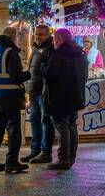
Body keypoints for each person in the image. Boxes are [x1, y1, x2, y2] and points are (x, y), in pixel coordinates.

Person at [42, 27, 89, 170]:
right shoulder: (81, 55)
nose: (54, 42)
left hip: (60, 98)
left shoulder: (57, 55)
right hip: (75, 96)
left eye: (55, 39)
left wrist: (43, 67)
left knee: (62, 127)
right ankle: (71, 158)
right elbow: (85, 76)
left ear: (60, 39)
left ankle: (63, 159)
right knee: (71, 126)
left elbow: (51, 75)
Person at [0, 26, 30, 173]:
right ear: (13, 37)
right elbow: (15, 76)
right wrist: (28, 74)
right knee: (13, 131)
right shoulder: (10, 53)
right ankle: (12, 162)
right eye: (17, 36)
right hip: (10, 98)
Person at [20, 24, 55, 164]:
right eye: (36, 34)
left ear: (47, 35)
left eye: (40, 34)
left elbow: (48, 71)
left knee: (45, 121)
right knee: (35, 121)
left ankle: (46, 152)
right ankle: (35, 151)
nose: (37, 36)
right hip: (33, 90)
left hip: (43, 91)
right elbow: (31, 70)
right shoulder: (35, 48)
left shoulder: (50, 49)